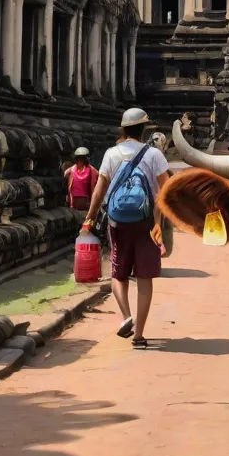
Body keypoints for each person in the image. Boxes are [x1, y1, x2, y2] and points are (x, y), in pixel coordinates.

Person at [82, 108, 171, 348]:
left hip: (117, 222)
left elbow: (99, 191)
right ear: (144, 129)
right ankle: (139, 335)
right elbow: (166, 191)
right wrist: (160, 223)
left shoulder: (111, 154)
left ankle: (126, 316)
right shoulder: (154, 155)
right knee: (144, 276)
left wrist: (89, 219)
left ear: (123, 129)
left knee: (118, 273)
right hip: (147, 223)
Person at [64, 148, 98, 214]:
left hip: (78, 202)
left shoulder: (72, 169)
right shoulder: (91, 169)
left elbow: (65, 174)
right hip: (82, 202)